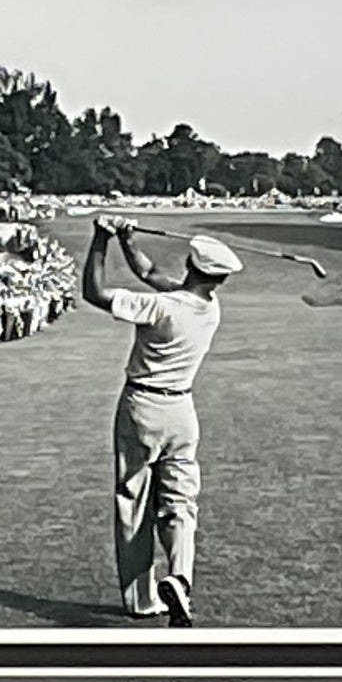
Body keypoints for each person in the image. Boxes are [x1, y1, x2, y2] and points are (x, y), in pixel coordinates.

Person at [82, 216, 242, 628]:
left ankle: (141, 599)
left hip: (142, 408)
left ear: (191, 265)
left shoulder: (160, 307)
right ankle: (180, 577)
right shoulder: (210, 307)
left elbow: (94, 292)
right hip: (182, 412)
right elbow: (150, 272)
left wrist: (101, 240)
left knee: (134, 503)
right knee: (180, 503)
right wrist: (128, 240)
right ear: (218, 278)